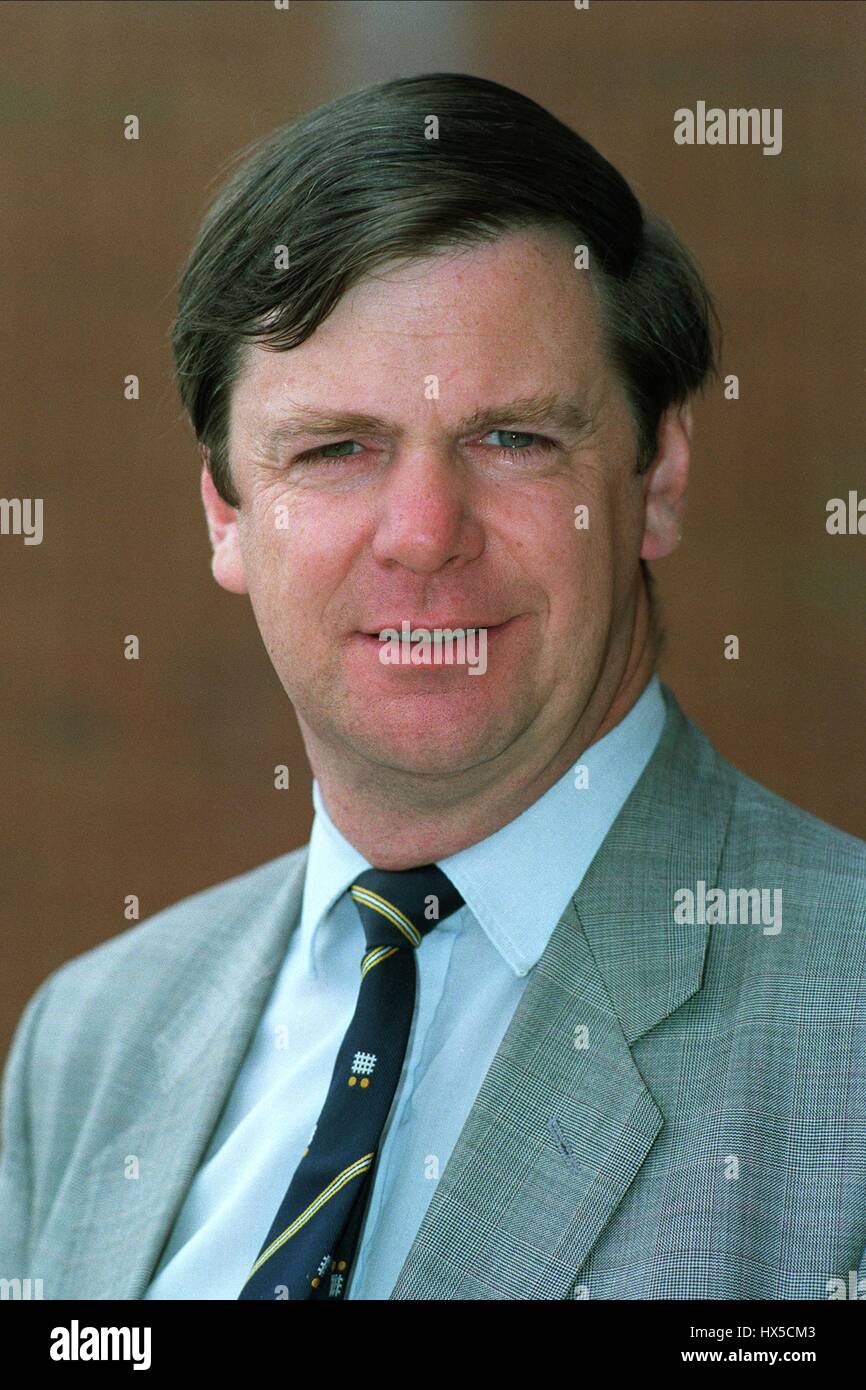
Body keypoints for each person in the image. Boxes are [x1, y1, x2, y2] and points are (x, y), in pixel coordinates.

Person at [1, 72, 863, 1302]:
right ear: (227, 514)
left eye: (511, 438)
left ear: (656, 477)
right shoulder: (87, 1045)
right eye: (332, 449)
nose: (420, 532)